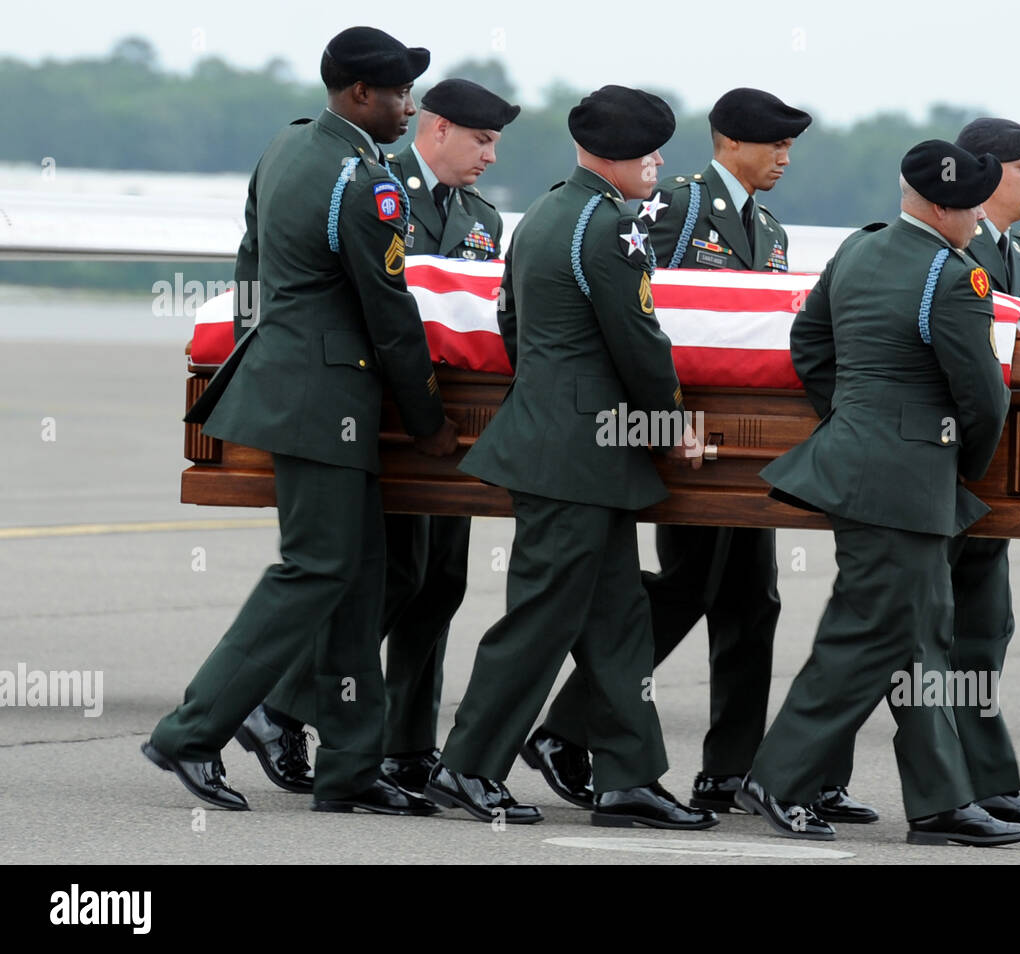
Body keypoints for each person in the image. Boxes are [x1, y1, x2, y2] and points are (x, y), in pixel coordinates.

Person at [526, 87, 873, 823]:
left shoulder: (770, 233)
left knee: (754, 602)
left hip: (745, 447)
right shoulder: (677, 208)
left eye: (789, 146)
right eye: (774, 144)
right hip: (681, 437)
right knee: (687, 584)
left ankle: (730, 770)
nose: (785, 158)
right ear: (729, 143)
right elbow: (629, 307)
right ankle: (566, 729)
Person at [142, 26, 458, 815]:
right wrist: (426, 419)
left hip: (297, 389)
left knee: (359, 577)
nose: (406, 107)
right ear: (359, 94)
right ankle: (191, 730)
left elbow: (250, 262)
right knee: (315, 569)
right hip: (328, 405)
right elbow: (390, 313)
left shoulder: (286, 150)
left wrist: (262, 346)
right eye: (396, 94)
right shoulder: (362, 181)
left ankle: (351, 765)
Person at [423, 85, 716, 830]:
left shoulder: (548, 214)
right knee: (542, 620)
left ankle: (629, 779)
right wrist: (671, 423)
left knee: (617, 620)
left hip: (572, 447)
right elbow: (639, 341)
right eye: (649, 151)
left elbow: (510, 321)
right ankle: (466, 768)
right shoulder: (609, 226)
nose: (656, 163)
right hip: (579, 458)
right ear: (615, 156)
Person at [738, 140, 1020, 846]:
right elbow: (981, 398)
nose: (972, 216)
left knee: (920, 638)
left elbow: (809, 343)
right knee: (866, 637)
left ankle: (940, 803)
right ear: (938, 206)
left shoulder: (859, 252)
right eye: (965, 205)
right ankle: (775, 779)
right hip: (905, 482)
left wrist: (854, 417)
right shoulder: (956, 278)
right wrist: (963, 466)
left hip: (865, 469)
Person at [237, 78, 520, 805]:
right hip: (381, 416)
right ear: (436, 129)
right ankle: (284, 704)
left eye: (496, 143)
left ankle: (406, 745)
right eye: (481, 140)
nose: (491, 155)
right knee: (392, 575)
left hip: (453, 425)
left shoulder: (483, 219)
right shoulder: (370, 186)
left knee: (442, 584)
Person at [938, 116, 1020, 830]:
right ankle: (800, 778)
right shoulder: (952, 253)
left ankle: (988, 782)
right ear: (986, 175)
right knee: (901, 634)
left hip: (996, 479)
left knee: (986, 629)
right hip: (946, 471)